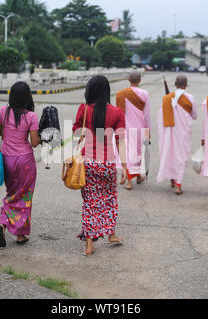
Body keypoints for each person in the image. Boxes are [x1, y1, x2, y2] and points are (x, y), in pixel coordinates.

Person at [72, 76, 127, 257]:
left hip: (87, 163)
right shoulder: (117, 113)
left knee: (90, 202)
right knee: (109, 199)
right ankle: (110, 234)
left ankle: (89, 245)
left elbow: (76, 132)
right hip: (107, 164)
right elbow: (120, 141)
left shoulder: (84, 109)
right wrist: (125, 167)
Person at [0, 82, 41, 247]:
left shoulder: (3, 111)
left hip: (7, 158)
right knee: (25, 196)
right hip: (24, 160)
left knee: (11, 193)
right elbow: (34, 142)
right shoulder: (31, 116)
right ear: (28, 97)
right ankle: (20, 235)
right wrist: (42, 135)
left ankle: (3, 223)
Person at [157, 75, 198, 195]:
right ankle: (178, 184)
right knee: (180, 156)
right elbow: (195, 115)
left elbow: (160, 117)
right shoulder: (190, 98)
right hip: (182, 132)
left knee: (169, 153)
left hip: (168, 132)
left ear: (175, 84)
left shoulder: (166, 98)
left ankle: (172, 179)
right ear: (186, 84)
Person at [115, 72, 151, 190]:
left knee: (128, 153)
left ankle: (130, 181)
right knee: (138, 152)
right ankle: (137, 176)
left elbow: (118, 113)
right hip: (140, 127)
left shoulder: (121, 94)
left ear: (128, 80)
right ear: (139, 81)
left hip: (125, 127)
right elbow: (147, 114)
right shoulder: (144, 93)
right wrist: (148, 130)